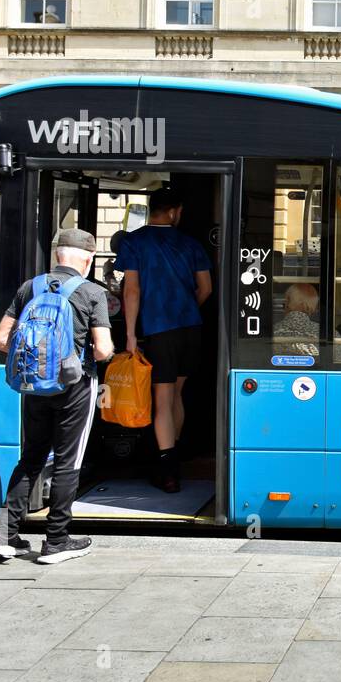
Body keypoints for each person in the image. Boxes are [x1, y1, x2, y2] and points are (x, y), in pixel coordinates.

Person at [0, 230, 113, 564]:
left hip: (34, 385)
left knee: (31, 457)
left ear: (58, 255)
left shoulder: (30, 287)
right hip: (75, 386)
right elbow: (101, 350)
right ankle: (56, 540)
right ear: (88, 259)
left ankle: (6, 535)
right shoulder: (92, 292)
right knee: (68, 461)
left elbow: (1, 340)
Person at [116, 188, 212, 493]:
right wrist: (186, 309)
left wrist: (131, 334)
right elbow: (205, 288)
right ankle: (174, 455)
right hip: (191, 328)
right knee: (177, 395)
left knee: (162, 401)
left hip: (159, 330)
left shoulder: (134, 241)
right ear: (173, 212)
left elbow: (131, 291)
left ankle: (167, 471)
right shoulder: (191, 243)